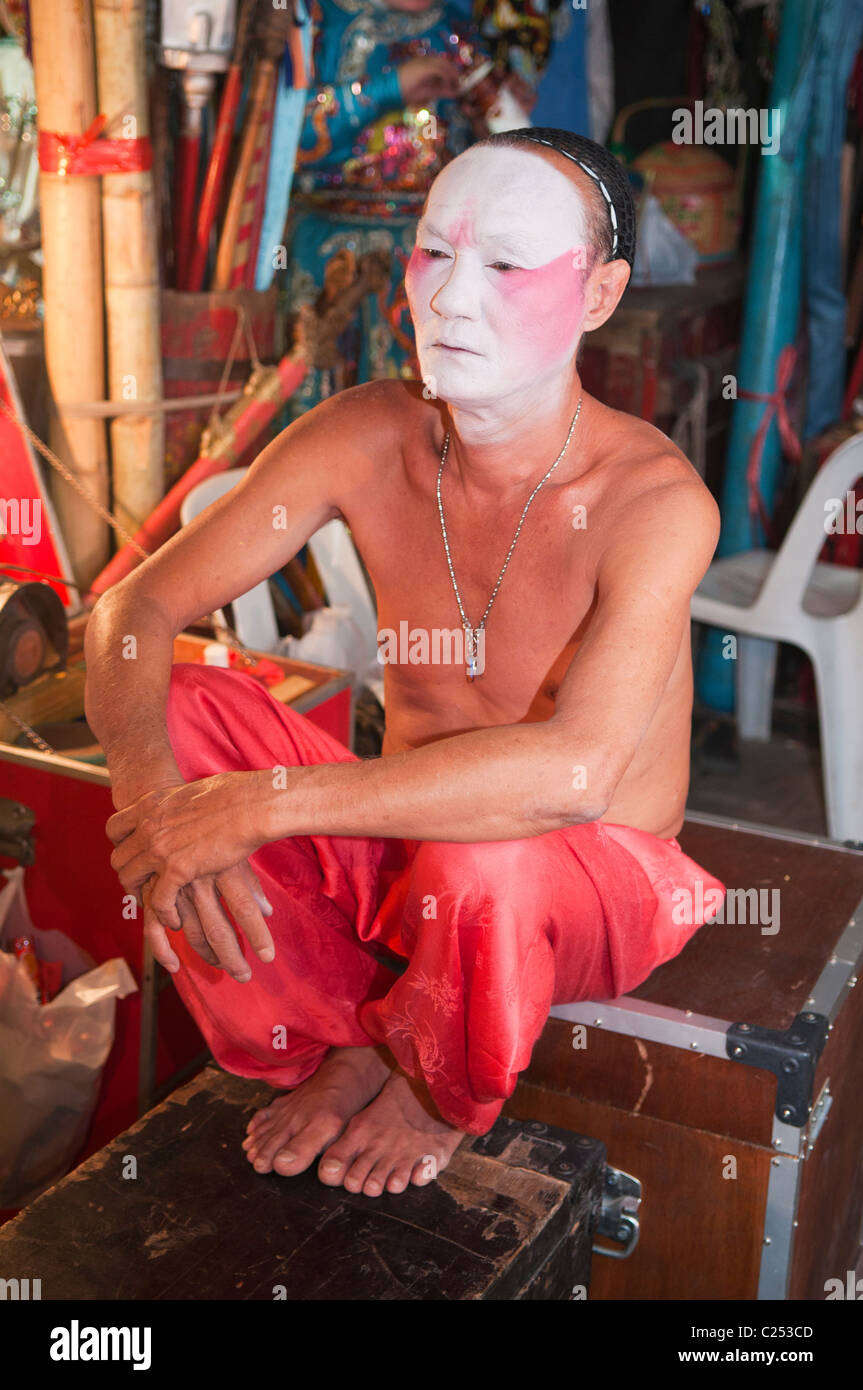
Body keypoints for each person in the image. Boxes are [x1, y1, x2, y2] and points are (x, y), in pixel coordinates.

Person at [85, 128, 725, 1199]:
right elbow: (131, 607)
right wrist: (158, 792)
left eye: (509, 266)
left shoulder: (652, 501)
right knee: (187, 712)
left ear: (600, 294)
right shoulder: (367, 431)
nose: (452, 299)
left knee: (485, 860)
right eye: (436, 252)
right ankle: (340, 1038)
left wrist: (262, 806)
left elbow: (572, 777)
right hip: (401, 841)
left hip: (576, 867)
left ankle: (435, 1087)